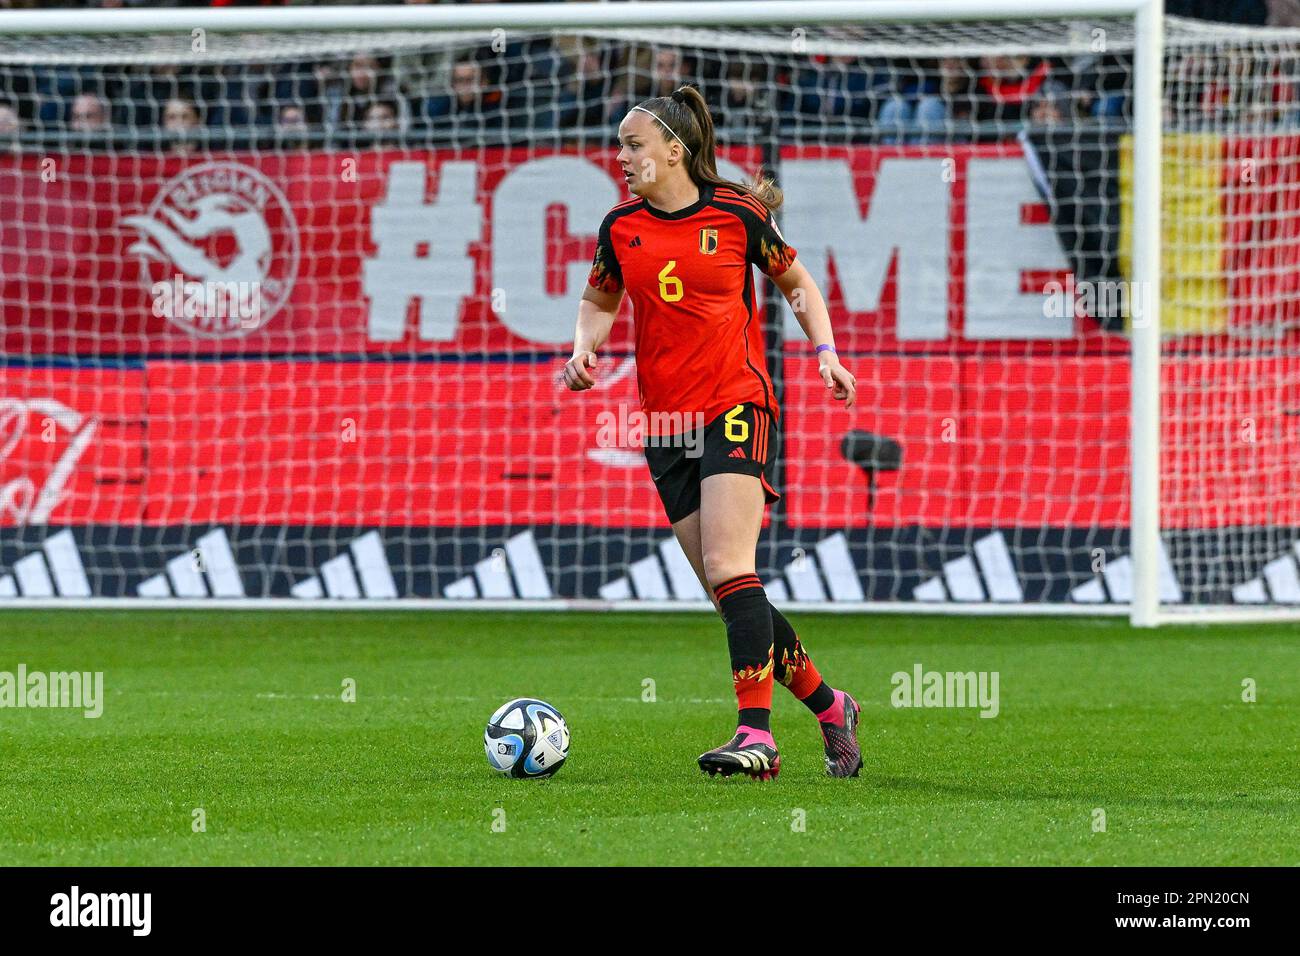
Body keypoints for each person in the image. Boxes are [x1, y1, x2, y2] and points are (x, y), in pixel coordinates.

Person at [562, 86, 863, 782]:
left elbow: (799, 286)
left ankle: (755, 737)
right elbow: (599, 297)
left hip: (735, 406)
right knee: (734, 591)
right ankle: (830, 705)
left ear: (674, 149)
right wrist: (584, 347)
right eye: (620, 145)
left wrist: (826, 353)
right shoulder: (619, 228)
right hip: (665, 423)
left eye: (633, 145)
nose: (622, 156)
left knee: (731, 567)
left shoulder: (736, 214)